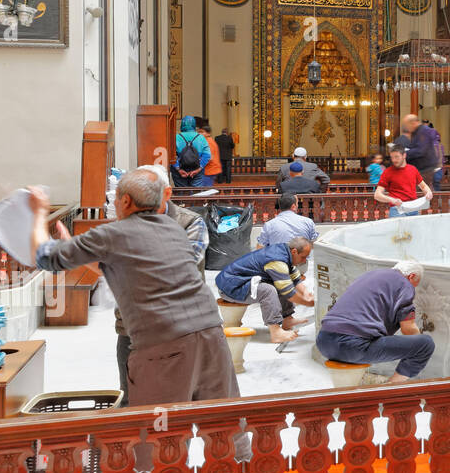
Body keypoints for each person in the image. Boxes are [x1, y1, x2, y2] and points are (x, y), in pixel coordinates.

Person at [28, 168, 239, 406]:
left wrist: (38, 214)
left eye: (115, 198)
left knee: (158, 431)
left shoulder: (113, 234)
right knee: (223, 423)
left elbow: (45, 257)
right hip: (211, 332)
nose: (114, 204)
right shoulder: (174, 229)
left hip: (165, 342)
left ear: (126, 200)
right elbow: (126, 266)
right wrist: (76, 250)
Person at [113, 165, 209, 405]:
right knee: (131, 398)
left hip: (179, 329)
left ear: (166, 193)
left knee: (177, 401)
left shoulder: (190, 223)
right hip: (132, 328)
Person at [317, 259, 435, 383]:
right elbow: (408, 328)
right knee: (425, 344)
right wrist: (415, 345)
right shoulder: (404, 283)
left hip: (324, 342)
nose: (413, 289)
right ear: (412, 276)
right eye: (415, 284)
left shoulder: (370, 275)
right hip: (352, 347)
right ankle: (390, 389)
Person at [216, 236, 314, 344]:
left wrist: (306, 293)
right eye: (303, 257)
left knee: (281, 282)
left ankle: (287, 319)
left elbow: (295, 279)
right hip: (231, 287)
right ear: (294, 251)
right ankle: (275, 332)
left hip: (240, 281)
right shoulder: (277, 260)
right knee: (268, 290)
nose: (304, 261)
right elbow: (289, 293)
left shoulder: (285, 252)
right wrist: (308, 303)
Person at [374, 143, 433, 217]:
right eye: (392, 157)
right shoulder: (387, 172)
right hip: (397, 209)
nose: (394, 160)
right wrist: (392, 200)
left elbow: (423, 186)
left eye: (397, 157)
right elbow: (377, 195)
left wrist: (428, 192)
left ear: (404, 155)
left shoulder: (413, 170)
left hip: (414, 208)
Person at [173, 115, 211, 188]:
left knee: (182, 193)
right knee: (196, 193)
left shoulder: (176, 137)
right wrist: (198, 169)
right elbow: (207, 155)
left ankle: (183, 199)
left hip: (180, 171)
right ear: (194, 125)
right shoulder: (201, 138)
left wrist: (178, 169)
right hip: (196, 170)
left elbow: (171, 156)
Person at [402, 114, 439, 188]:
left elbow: (421, 150)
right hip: (421, 169)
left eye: (407, 126)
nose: (407, 128)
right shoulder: (416, 132)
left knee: (423, 193)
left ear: (413, 123)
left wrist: (405, 153)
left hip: (425, 169)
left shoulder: (423, 131)